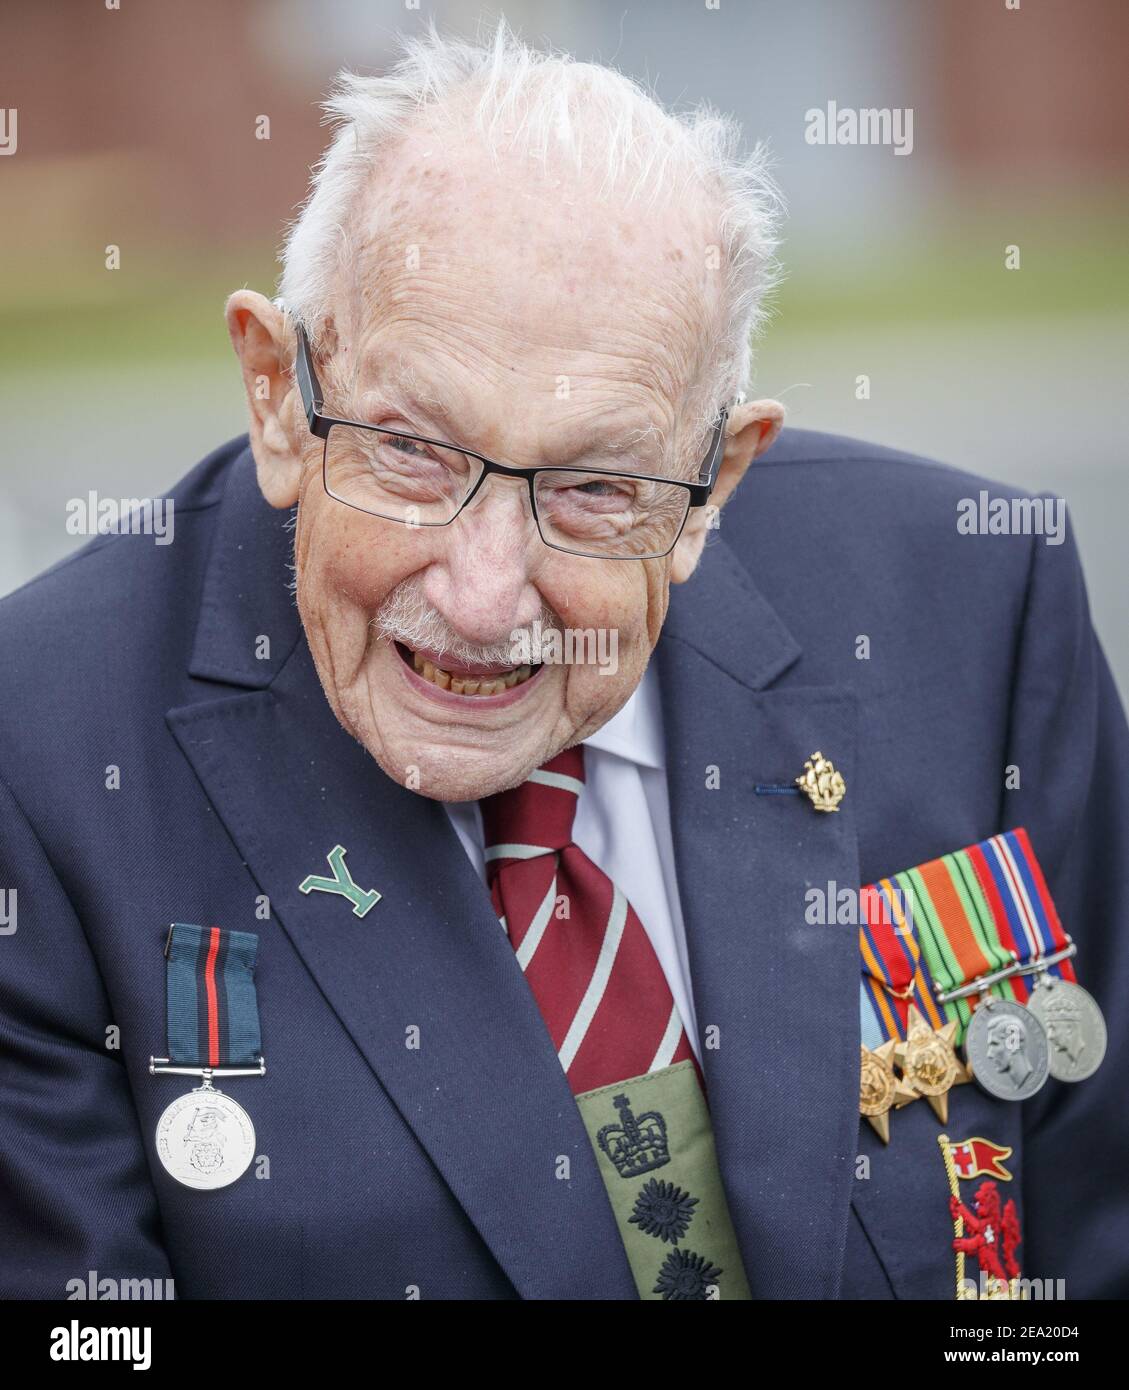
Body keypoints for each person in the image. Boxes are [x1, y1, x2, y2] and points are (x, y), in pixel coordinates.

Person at [1, 22, 1127, 1300]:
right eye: (412, 450)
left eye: (595, 486)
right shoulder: (39, 754)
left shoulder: (976, 602)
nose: (483, 599)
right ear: (276, 395)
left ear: (714, 483)